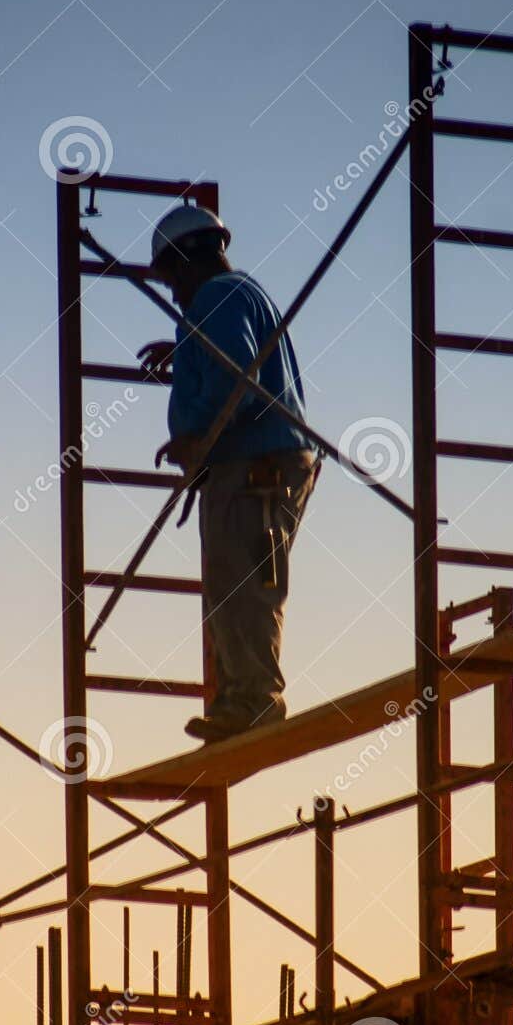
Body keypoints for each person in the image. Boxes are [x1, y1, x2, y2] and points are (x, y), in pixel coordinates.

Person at [138, 204, 318, 743]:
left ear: (188, 259)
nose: (171, 291)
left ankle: (253, 701)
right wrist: (189, 347)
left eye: (170, 276)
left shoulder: (215, 298)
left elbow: (237, 375)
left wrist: (197, 438)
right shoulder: (238, 296)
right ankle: (246, 697)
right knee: (242, 578)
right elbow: (238, 357)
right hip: (266, 463)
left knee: (240, 582)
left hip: (252, 465)